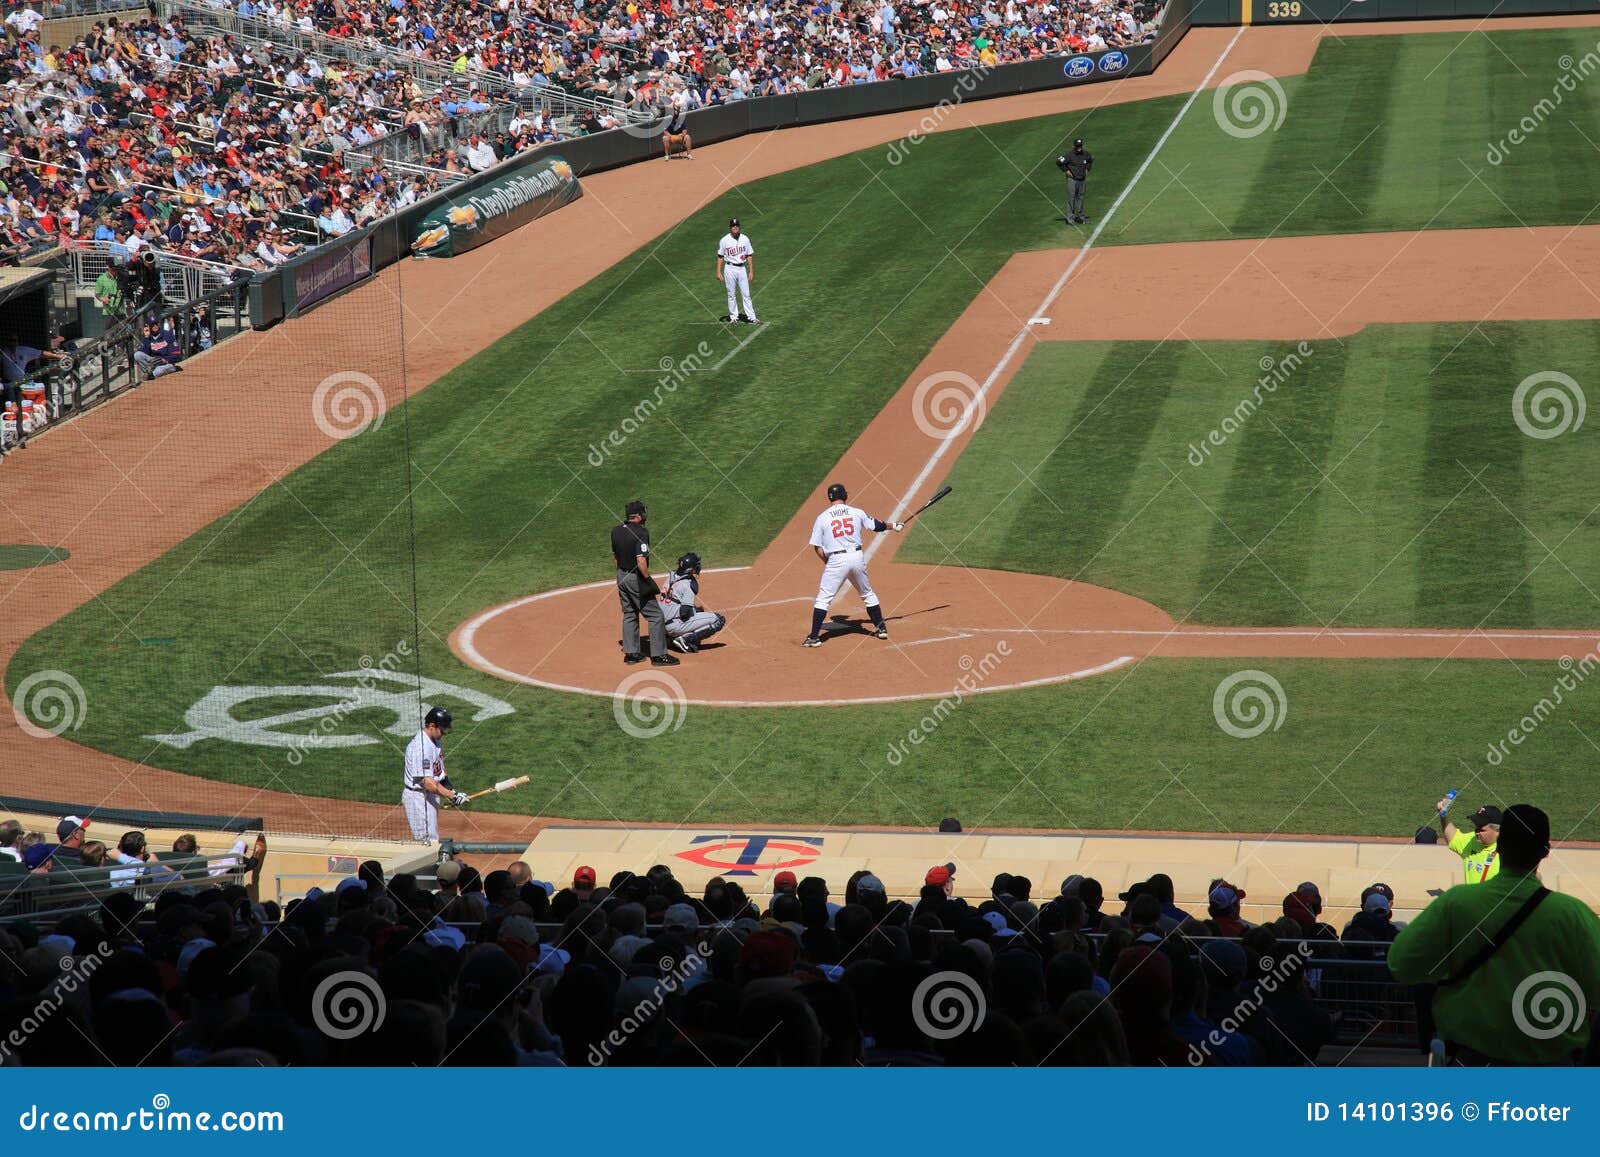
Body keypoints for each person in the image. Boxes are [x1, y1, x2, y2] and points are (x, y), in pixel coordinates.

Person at [1388, 804, 1600, 1064]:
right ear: (1545, 852)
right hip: (1550, 1070)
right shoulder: (1573, 914)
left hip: (1471, 1063)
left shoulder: (1456, 903)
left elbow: (1401, 964)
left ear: (1500, 846)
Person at [802, 482, 901, 647]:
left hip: (836, 559)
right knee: (867, 593)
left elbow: (817, 547)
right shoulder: (856, 512)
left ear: (830, 497)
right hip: (856, 557)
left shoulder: (822, 517)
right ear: (845, 496)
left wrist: (829, 563)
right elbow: (876, 525)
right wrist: (894, 525)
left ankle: (814, 637)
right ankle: (881, 628)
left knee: (824, 598)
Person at [611, 500, 676, 666]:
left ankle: (632, 654)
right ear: (638, 516)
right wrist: (647, 580)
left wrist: (621, 577)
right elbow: (641, 560)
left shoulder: (616, 531)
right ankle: (659, 656)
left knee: (630, 613)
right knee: (655, 615)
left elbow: (616, 558)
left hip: (621, 576)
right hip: (635, 578)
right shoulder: (641, 532)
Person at [402, 706, 468, 842]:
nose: (444, 734)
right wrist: (452, 796)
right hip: (418, 798)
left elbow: (440, 773)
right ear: (432, 726)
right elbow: (427, 782)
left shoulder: (436, 741)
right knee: (427, 841)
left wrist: (452, 791)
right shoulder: (420, 748)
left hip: (430, 796)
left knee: (432, 837)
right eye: (442, 730)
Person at [660, 552, 726, 654]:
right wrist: (695, 611)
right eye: (696, 566)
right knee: (718, 620)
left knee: (692, 610)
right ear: (691, 569)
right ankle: (685, 640)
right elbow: (684, 612)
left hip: (659, 625)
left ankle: (668, 638)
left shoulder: (671, 575)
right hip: (673, 626)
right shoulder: (688, 585)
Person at [1436, 799, 1501, 883]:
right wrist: (1443, 815)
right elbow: (1453, 838)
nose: (1477, 832)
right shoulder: (1472, 840)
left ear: (1497, 831)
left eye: (1482, 830)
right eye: (1476, 827)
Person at [716, 217, 757, 324]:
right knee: (731, 294)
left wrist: (751, 271)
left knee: (746, 293)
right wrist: (718, 272)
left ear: (739, 227)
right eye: (733, 226)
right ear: (730, 228)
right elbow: (720, 256)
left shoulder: (745, 239)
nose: (735, 228)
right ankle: (734, 317)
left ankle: (751, 317)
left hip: (742, 268)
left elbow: (749, 255)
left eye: (736, 226)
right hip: (729, 268)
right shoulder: (724, 240)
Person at [1056, 138, 1093, 225]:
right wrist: (1066, 170)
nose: (1079, 148)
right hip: (1072, 180)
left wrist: (1087, 168)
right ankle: (1070, 219)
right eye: (1077, 146)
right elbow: (1058, 161)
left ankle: (1081, 217)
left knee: (1080, 198)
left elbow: (1090, 160)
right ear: (1074, 146)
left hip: (1082, 180)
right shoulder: (1069, 155)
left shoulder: (1085, 154)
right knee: (1071, 198)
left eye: (1080, 146)